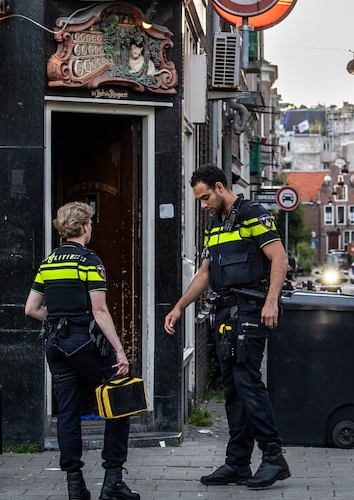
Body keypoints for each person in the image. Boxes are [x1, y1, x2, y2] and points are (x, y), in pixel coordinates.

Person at [163, 164, 291, 489]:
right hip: (225, 314)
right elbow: (204, 273)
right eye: (199, 200)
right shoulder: (215, 225)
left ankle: (273, 457)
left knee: (247, 382)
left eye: (205, 197)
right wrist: (179, 307)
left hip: (250, 310)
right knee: (232, 389)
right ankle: (238, 463)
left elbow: (279, 258)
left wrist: (271, 302)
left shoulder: (252, 214)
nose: (203, 204)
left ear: (220, 187)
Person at [25, 202, 138, 500]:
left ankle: (75, 486)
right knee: (120, 399)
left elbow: (31, 308)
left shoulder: (49, 262)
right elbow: (99, 311)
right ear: (86, 226)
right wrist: (120, 351)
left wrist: (57, 319)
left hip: (55, 345)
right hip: (84, 344)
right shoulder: (89, 261)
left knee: (68, 412)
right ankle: (112, 481)